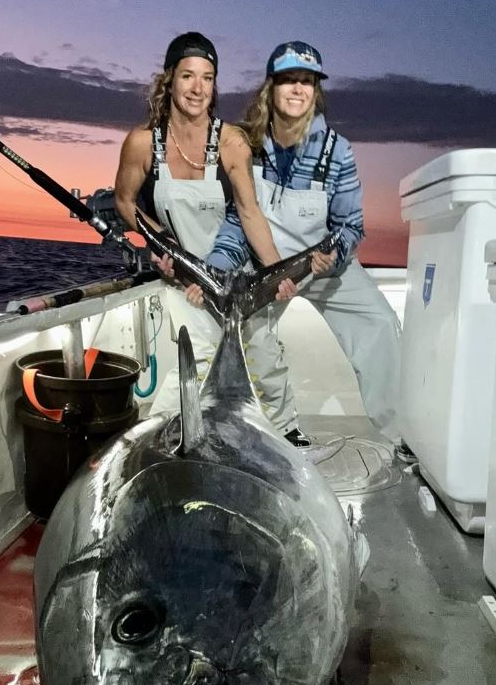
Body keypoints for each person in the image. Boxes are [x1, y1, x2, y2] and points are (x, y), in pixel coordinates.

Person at [205, 40, 402, 448]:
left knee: (380, 324)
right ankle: (282, 429)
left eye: (307, 81)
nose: (298, 89)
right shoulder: (248, 146)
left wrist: (331, 256)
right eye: (289, 80)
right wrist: (218, 265)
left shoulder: (337, 151)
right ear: (270, 89)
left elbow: (351, 226)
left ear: (316, 91)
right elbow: (237, 218)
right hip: (266, 265)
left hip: (325, 267)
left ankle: (400, 434)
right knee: (249, 330)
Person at [114, 32, 297, 417]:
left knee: (263, 355)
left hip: (235, 272)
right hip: (185, 277)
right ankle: (158, 439)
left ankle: (287, 435)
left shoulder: (231, 142)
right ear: (169, 79)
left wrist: (276, 271)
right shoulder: (143, 143)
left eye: (208, 78)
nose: (198, 88)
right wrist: (160, 242)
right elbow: (125, 202)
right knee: (196, 355)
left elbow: (249, 213)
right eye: (188, 76)